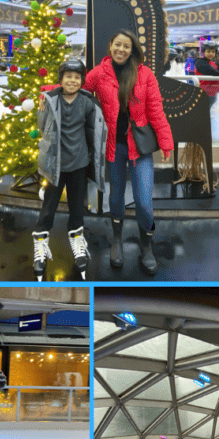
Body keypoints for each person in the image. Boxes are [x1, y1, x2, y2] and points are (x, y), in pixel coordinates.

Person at [83, 30, 174, 275]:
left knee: (145, 202)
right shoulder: (99, 73)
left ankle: (147, 246)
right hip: (113, 147)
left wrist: (166, 142)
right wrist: (49, 91)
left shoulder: (145, 74)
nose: (121, 50)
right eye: (117, 45)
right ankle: (117, 241)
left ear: (132, 50)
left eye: (126, 46)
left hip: (139, 147)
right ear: (110, 45)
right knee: (116, 198)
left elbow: (156, 110)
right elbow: (76, 88)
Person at [34, 58, 107, 281]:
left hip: (79, 163)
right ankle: (40, 245)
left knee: (77, 206)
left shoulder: (87, 101)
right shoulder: (50, 99)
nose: (73, 81)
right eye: (68, 77)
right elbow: (41, 127)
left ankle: (77, 241)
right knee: (49, 206)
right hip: (54, 163)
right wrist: (41, 105)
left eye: (77, 77)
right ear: (61, 79)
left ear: (82, 81)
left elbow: (94, 129)